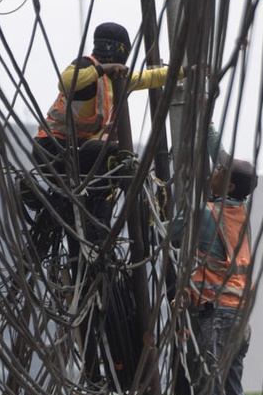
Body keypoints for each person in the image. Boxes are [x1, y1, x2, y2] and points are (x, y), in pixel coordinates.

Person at [33, 21, 191, 247]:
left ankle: (104, 239)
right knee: (118, 156)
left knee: (111, 176)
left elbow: (150, 78)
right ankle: (95, 234)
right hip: (53, 151)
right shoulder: (87, 68)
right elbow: (66, 82)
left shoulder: (116, 81)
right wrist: (102, 69)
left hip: (80, 155)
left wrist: (185, 71)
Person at [172, 125, 257, 395]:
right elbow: (221, 157)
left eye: (219, 172)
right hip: (240, 320)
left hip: (217, 316)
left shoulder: (206, 215)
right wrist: (205, 126)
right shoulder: (239, 211)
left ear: (227, 185)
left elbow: (169, 234)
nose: (214, 171)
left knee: (210, 394)